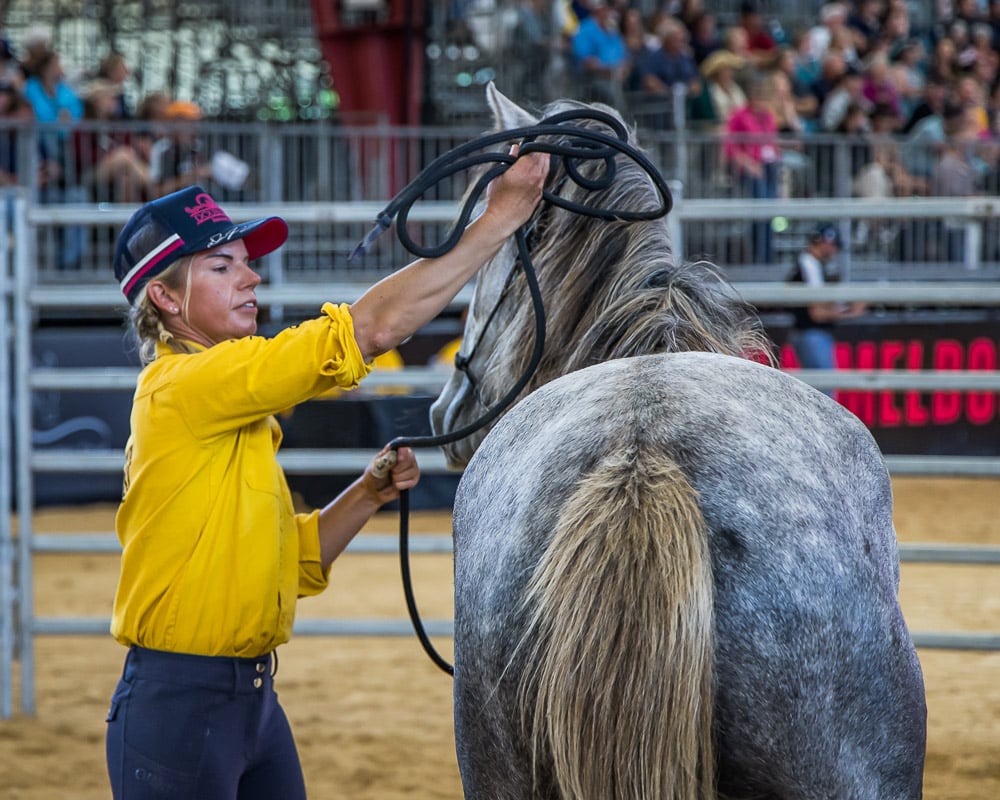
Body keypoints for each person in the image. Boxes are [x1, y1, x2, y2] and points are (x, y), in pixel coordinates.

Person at [104, 148, 548, 799]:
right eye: (222, 267)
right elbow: (367, 331)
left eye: (248, 264)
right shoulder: (185, 384)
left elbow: (293, 563)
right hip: (183, 705)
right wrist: (499, 219)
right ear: (164, 296)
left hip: (242, 702)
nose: (251, 278)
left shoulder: (218, 402)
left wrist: (366, 494)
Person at [787, 221, 866, 392]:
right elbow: (817, 313)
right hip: (812, 336)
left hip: (810, 335)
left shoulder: (810, 265)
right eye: (834, 245)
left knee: (819, 394)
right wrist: (851, 313)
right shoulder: (809, 265)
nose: (835, 251)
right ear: (825, 242)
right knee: (824, 397)